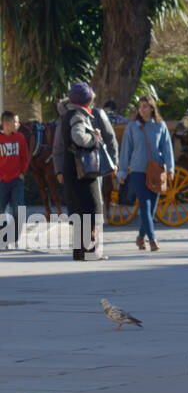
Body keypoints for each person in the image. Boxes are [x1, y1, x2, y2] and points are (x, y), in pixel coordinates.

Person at [54, 82, 117, 261]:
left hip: (71, 168)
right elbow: (78, 136)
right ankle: (90, 252)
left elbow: (60, 145)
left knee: (79, 212)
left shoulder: (66, 115)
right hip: (83, 170)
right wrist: (94, 139)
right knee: (91, 209)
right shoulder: (78, 115)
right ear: (85, 100)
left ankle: (79, 252)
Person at [115, 97, 174, 252]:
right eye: (140, 107)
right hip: (137, 171)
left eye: (145, 106)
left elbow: (167, 148)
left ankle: (141, 237)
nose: (142, 109)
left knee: (152, 208)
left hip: (156, 172)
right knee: (145, 204)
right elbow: (126, 150)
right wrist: (122, 171)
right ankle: (152, 239)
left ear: (152, 108)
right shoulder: (132, 127)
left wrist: (170, 168)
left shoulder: (160, 126)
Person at [0, 111, 29, 247]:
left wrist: (22, 172)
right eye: (14, 123)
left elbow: (25, 157)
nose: (16, 125)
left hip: (17, 180)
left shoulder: (20, 137)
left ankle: (13, 236)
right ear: (5, 123)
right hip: (2, 181)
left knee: (19, 209)